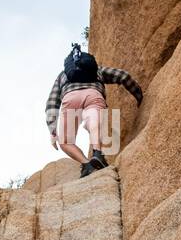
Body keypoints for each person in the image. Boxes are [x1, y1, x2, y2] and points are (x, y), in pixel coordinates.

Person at [46, 43, 143, 177]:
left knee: (66, 142)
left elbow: (52, 102)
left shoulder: (63, 76)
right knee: (94, 123)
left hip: (70, 98)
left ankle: (86, 165)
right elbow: (123, 75)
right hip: (93, 94)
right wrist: (138, 95)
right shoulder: (97, 71)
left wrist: (52, 129)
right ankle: (97, 154)